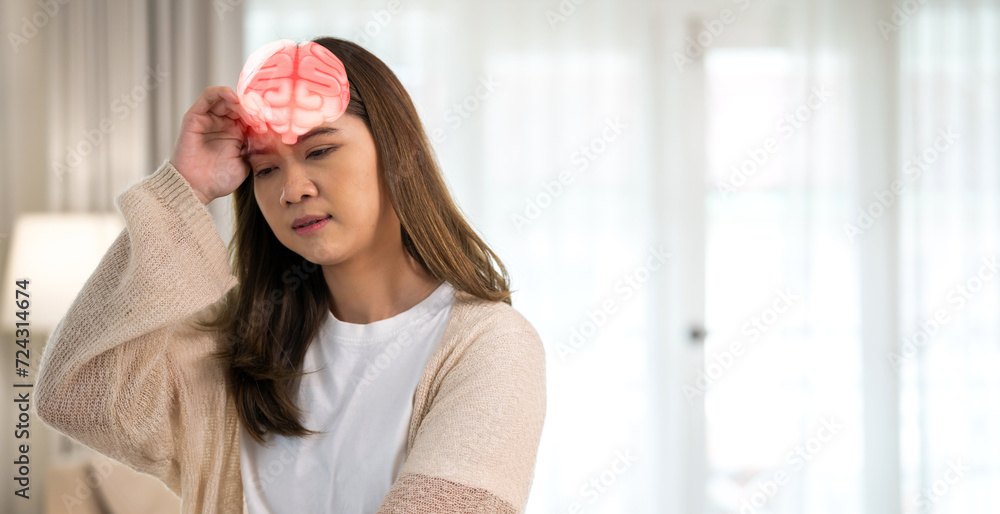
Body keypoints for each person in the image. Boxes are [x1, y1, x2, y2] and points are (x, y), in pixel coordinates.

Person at [35, 36, 546, 514]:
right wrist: (182, 193)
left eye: (319, 150)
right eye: (266, 169)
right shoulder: (243, 345)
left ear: (398, 149)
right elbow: (76, 395)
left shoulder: (490, 345)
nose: (292, 189)